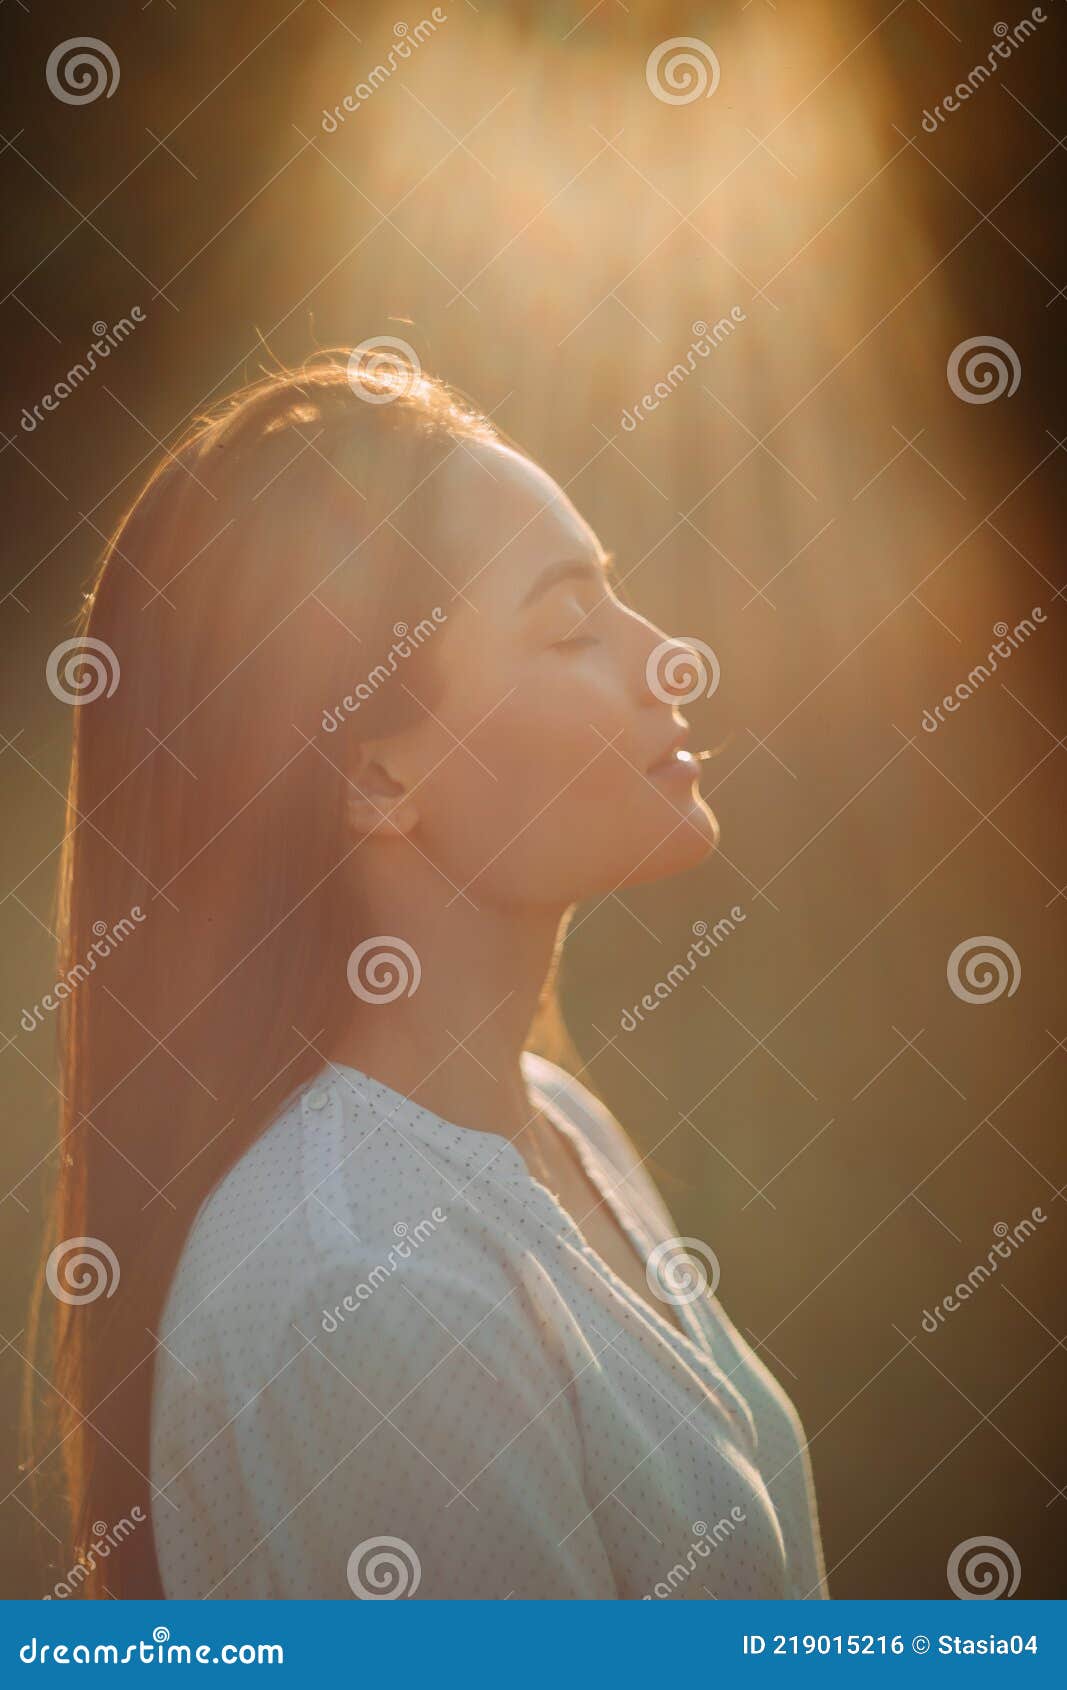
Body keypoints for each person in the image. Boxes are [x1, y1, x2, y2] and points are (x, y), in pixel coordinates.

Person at [32, 352, 826, 1599]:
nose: (668, 656)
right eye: (571, 624)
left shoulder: (554, 1121)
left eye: (614, 598)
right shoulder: (362, 1291)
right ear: (376, 776)